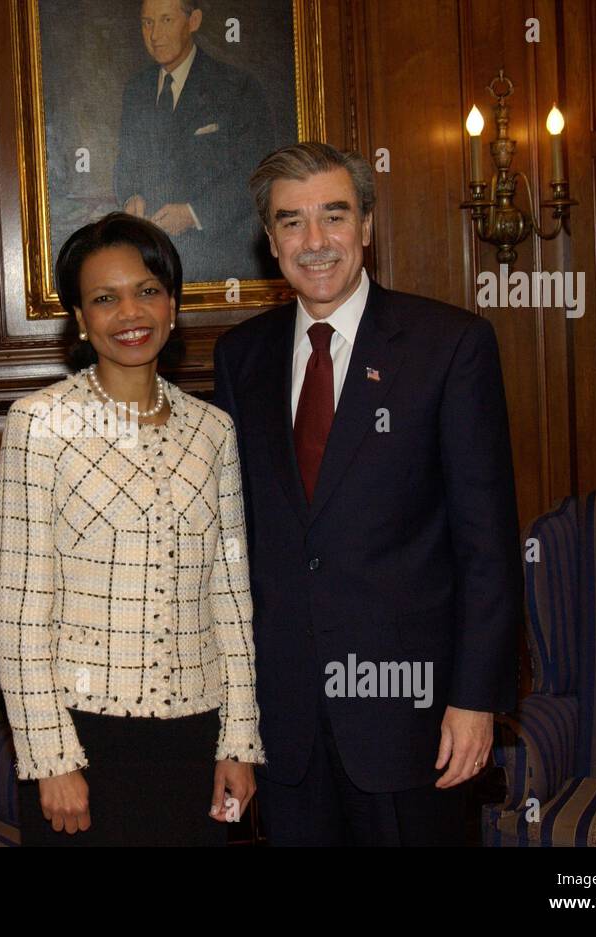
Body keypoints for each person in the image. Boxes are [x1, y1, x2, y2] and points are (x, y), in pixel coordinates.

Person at [212, 142, 522, 846]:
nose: (314, 242)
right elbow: (236, 549)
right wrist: (234, 720)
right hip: (285, 728)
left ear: (368, 226)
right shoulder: (241, 358)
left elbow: (488, 547)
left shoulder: (450, 346)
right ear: (270, 241)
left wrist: (476, 700)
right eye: (291, 222)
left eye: (334, 216)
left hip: (411, 721)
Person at [0, 211, 265, 846]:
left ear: (172, 305)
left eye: (147, 291)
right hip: (85, 740)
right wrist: (51, 758)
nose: (130, 313)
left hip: (197, 740)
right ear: (82, 321)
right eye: (105, 299)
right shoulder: (40, 425)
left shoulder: (212, 431)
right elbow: (18, 611)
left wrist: (239, 741)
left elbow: (230, 599)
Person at [114, 0, 275, 282]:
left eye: (166, 20)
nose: (154, 35)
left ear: (194, 21)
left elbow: (259, 175)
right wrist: (131, 197)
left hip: (221, 259)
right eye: (147, 23)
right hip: (151, 265)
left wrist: (193, 214)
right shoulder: (135, 90)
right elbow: (126, 162)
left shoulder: (237, 88)